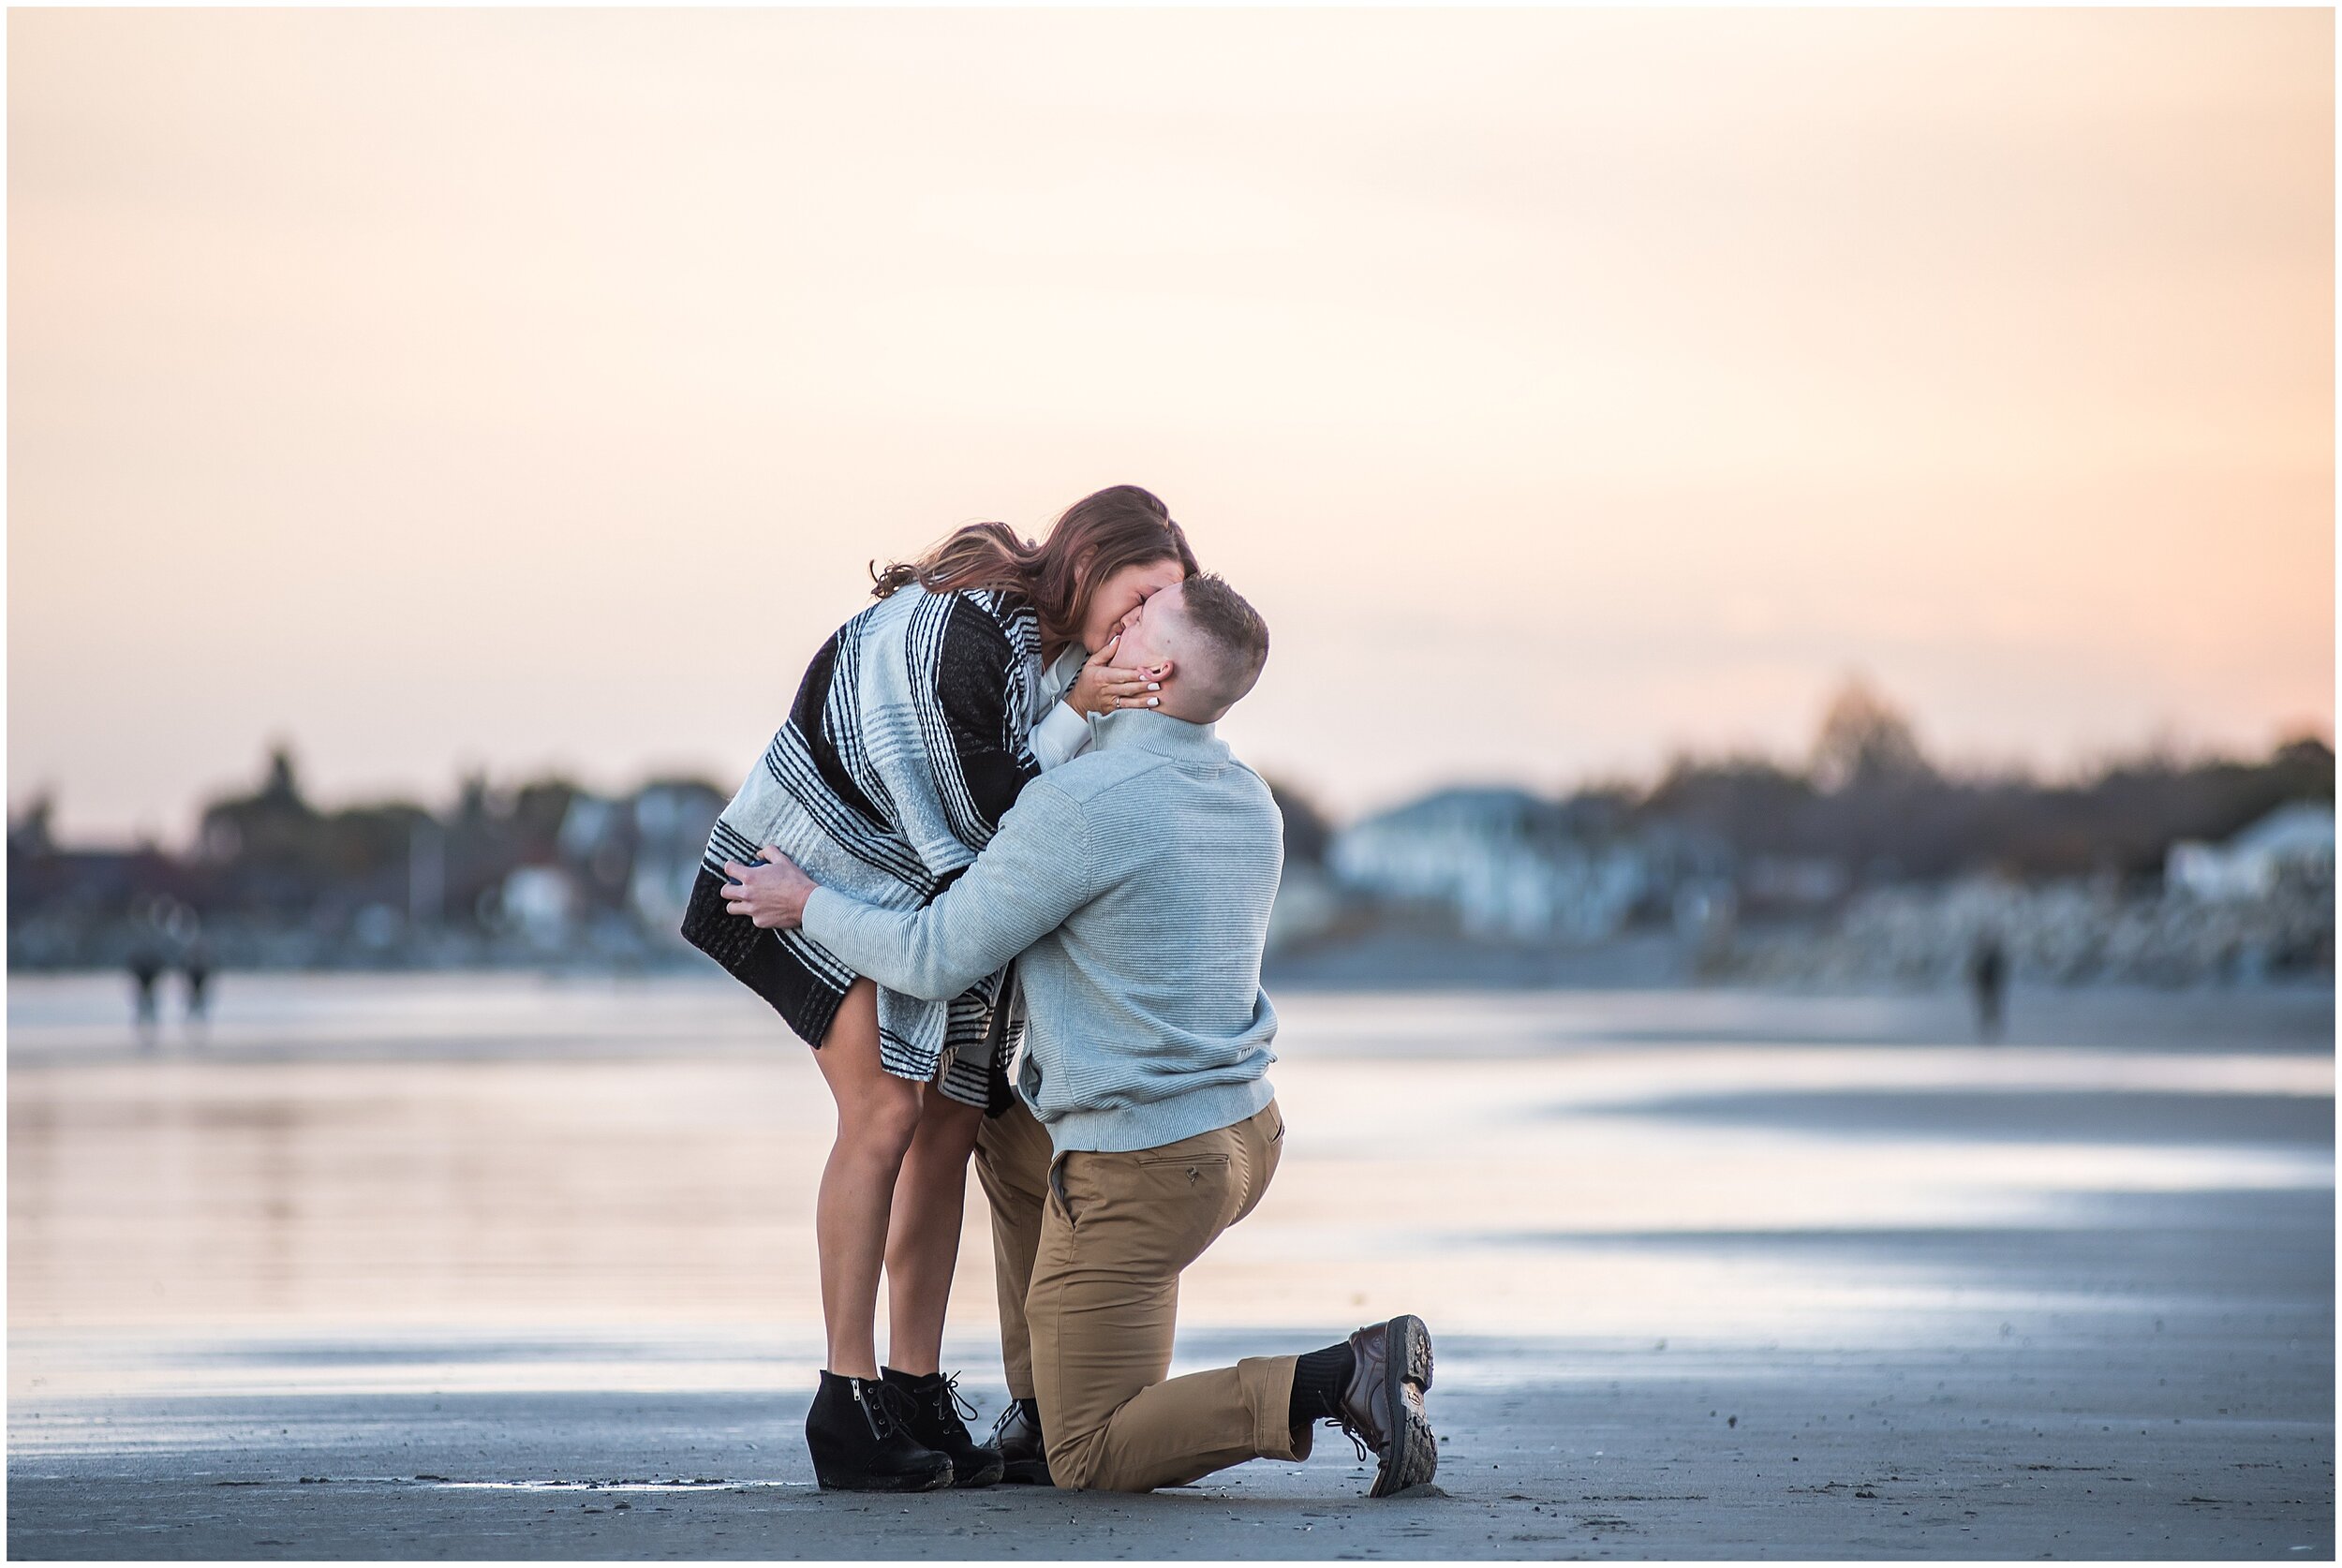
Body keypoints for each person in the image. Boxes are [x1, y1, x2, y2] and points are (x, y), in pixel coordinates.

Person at [723, 574, 1440, 1500]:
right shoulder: (1244, 796)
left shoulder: (1084, 806)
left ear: (1158, 666)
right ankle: (1038, 1401)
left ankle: (1341, 1378)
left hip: (1143, 1171)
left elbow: (937, 955)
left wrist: (808, 901)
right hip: (1243, 1138)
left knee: (1091, 1455)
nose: (1122, 615)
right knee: (1001, 1132)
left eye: (1143, 617)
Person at [681, 485, 1195, 1493]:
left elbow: (1031, 820)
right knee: (881, 1114)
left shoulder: (1049, 662)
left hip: (911, 897)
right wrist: (1083, 712)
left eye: (1162, 611)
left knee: (951, 1121)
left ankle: (914, 1389)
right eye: (1140, 597)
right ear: (1089, 560)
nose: (1141, 627)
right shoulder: (960, 631)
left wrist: (1085, 708)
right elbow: (988, 821)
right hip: (799, 872)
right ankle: (846, 1395)